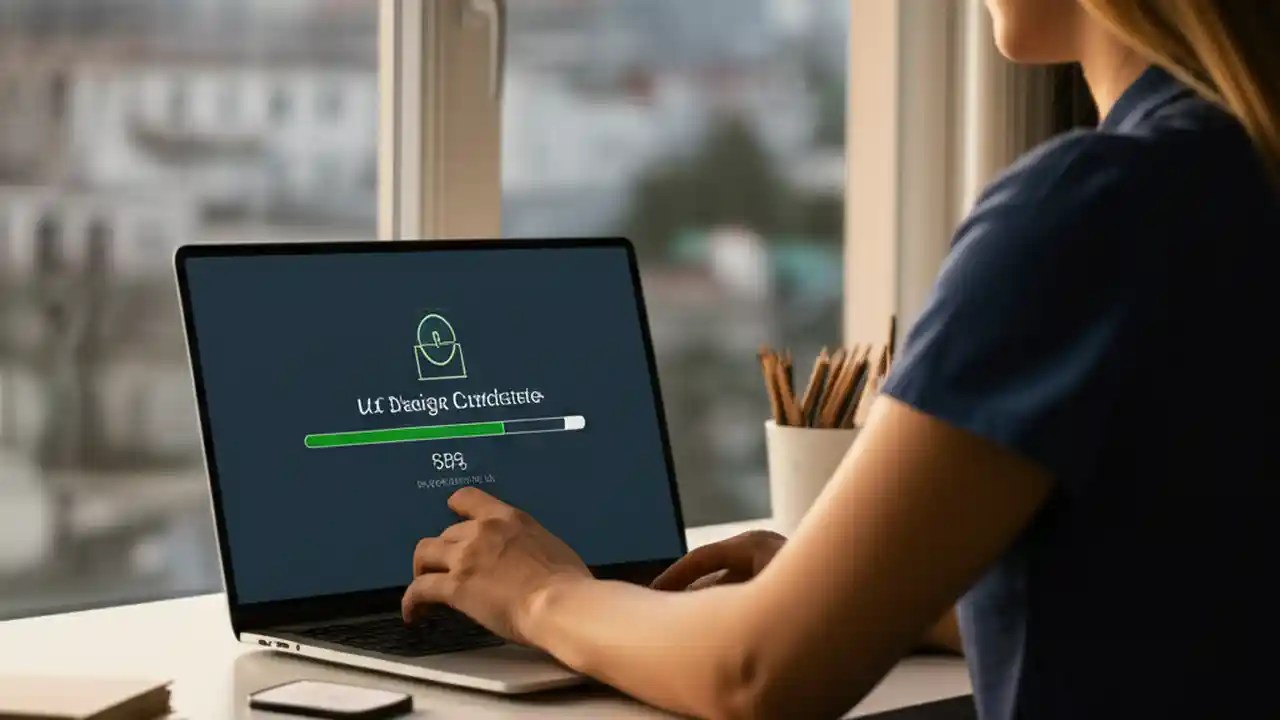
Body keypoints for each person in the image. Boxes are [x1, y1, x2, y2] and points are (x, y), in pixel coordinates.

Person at [401, 1, 1280, 717]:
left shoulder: (1094, 210)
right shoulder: (1234, 178)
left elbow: (759, 673)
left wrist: (542, 596)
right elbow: (1193, 596)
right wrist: (863, 592)